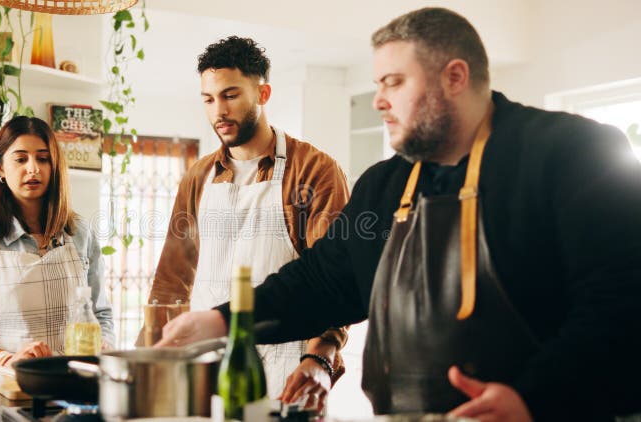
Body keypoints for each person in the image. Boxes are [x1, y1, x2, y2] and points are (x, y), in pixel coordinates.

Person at [156, 8, 641, 421]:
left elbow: (621, 307)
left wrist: (533, 399)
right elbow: (322, 282)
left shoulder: (574, 153)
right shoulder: (385, 186)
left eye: (394, 82)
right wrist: (221, 321)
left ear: (455, 77)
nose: (379, 101)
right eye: (377, 84)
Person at [145, 36, 351, 408]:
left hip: (288, 371)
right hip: (206, 369)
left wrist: (320, 358)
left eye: (230, 95)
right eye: (209, 99)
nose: (218, 111)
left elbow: (335, 280)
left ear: (263, 93)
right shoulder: (199, 176)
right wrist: (151, 360)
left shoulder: (314, 171)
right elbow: (172, 280)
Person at [0, 116, 114, 366]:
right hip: (6, 383)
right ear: (0, 167)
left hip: (74, 381)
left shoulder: (81, 234)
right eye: (21, 159)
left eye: (43, 159)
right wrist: (6, 359)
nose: (33, 169)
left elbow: (101, 314)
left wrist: (103, 343)